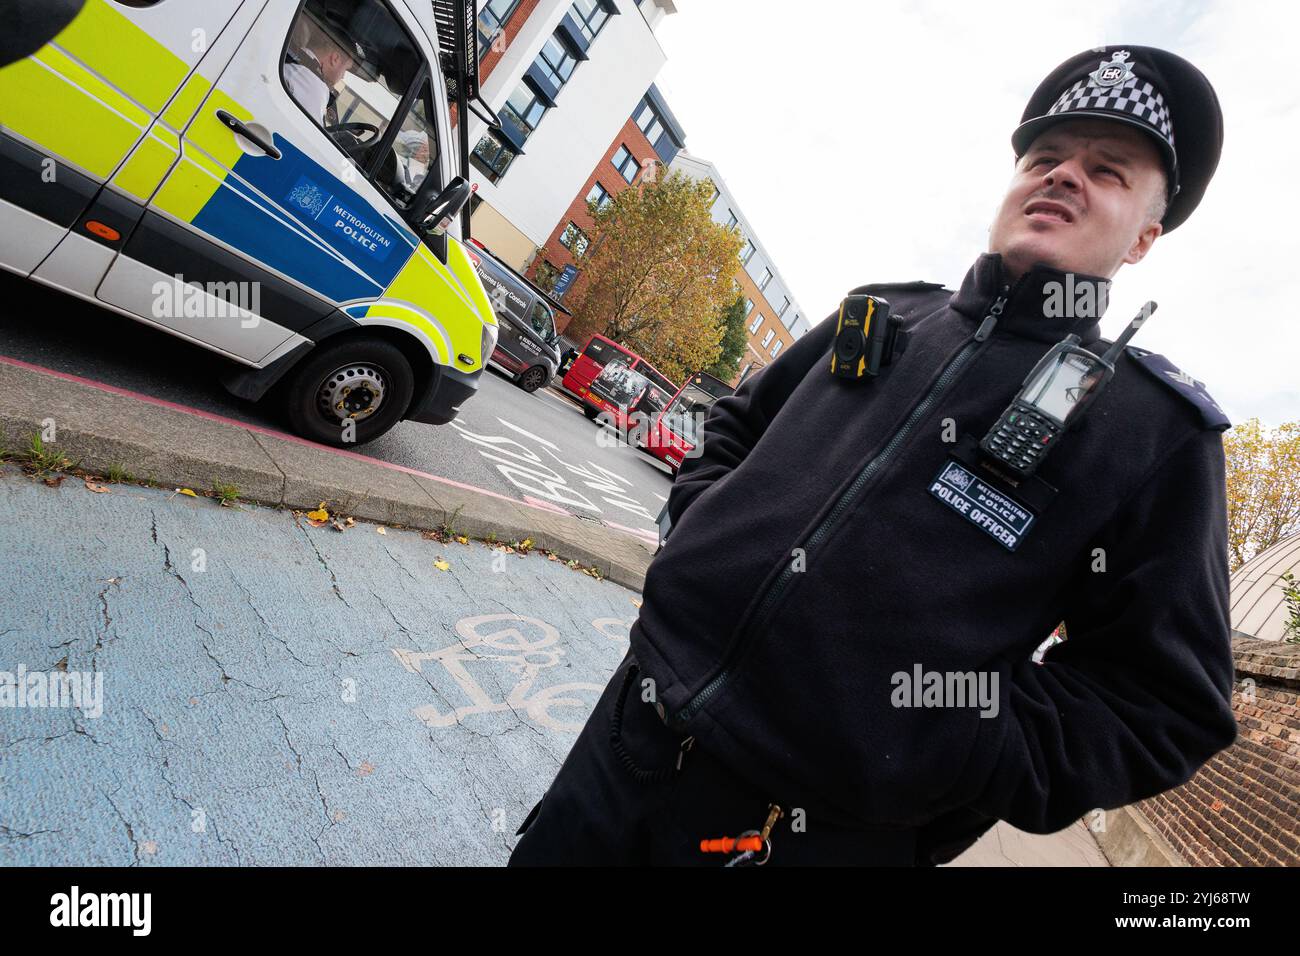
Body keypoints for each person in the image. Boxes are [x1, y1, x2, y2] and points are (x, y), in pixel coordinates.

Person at [509, 45, 1237, 867]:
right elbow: (733, 427)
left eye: (1106, 170)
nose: (1063, 176)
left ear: (1144, 237)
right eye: (1044, 157)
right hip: (626, 739)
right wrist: (700, 531)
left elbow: (1162, 702)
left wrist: (955, 740)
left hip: (805, 836)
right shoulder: (883, 314)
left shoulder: (1154, 430)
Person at [283, 15, 358, 128]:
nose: (343, 76)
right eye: (345, 69)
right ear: (335, 59)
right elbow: (309, 139)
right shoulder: (314, 87)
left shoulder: (289, 55)